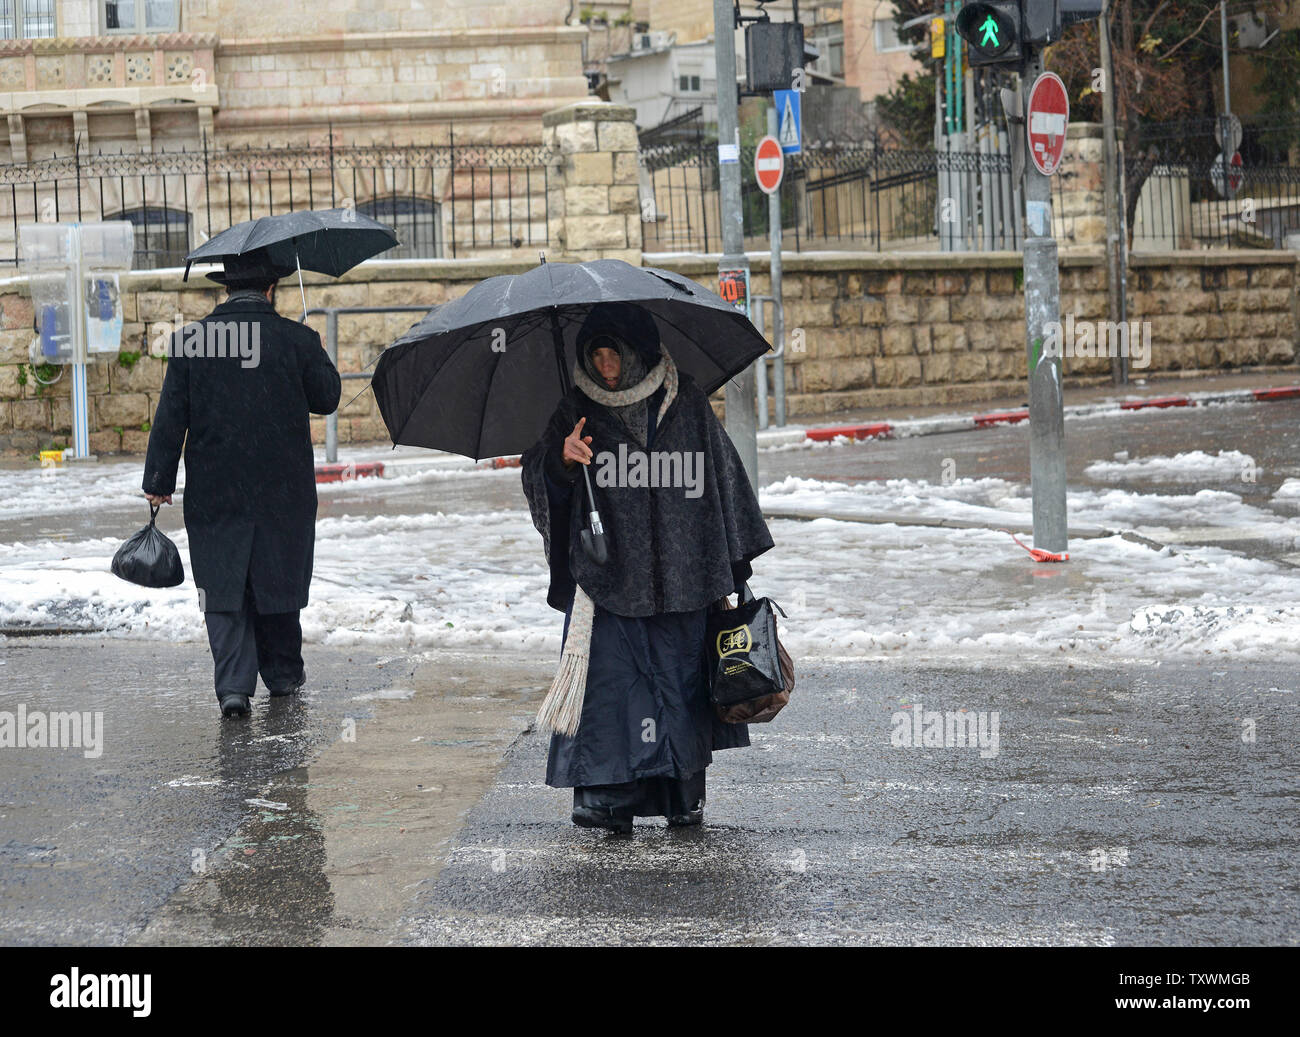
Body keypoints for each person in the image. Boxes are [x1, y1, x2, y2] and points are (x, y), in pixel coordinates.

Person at [521, 302, 774, 834]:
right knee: (610, 690)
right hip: (606, 579)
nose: (607, 364)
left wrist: (730, 558)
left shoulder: (687, 405)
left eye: (616, 353)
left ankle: (682, 793)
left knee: (677, 686)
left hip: (684, 579)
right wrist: (561, 463)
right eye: (597, 354)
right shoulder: (575, 411)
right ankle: (607, 797)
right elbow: (541, 479)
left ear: (640, 355)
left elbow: (723, 477)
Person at [141, 251, 341, 718]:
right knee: (279, 578)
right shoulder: (296, 339)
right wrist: (312, 346)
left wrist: (158, 480)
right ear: (272, 289)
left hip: (216, 488)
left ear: (226, 289)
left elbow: (170, 418)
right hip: (283, 490)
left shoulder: (192, 342)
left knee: (223, 582)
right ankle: (284, 675)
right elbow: (328, 398)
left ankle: (233, 687)